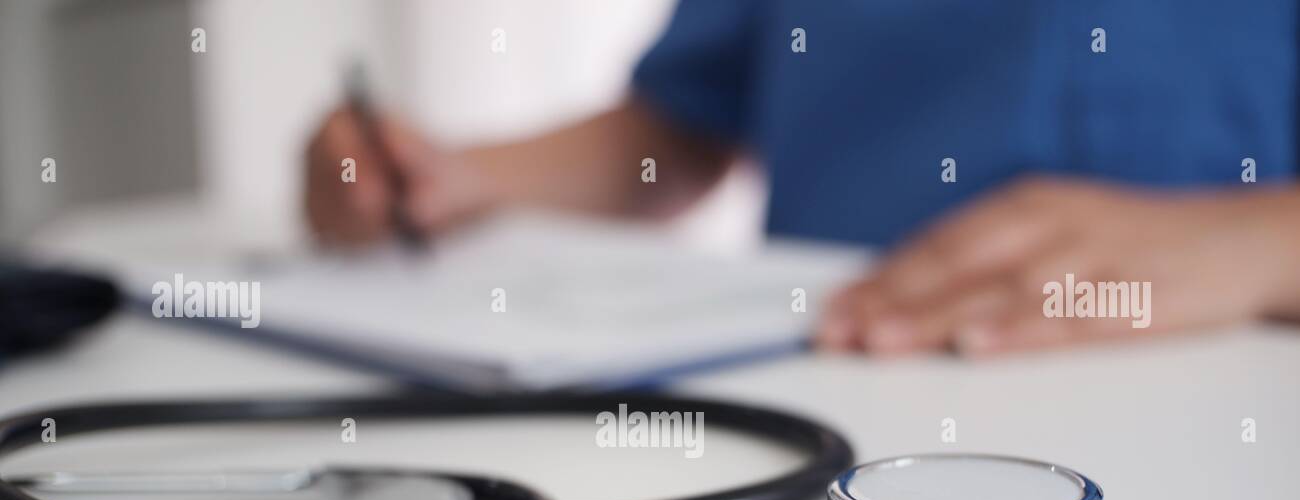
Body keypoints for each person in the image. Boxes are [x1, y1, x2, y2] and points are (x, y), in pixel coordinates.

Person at [304, 0, 1300, 356]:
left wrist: (1267, 238)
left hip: (1228, 422)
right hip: (838, 370)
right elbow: (679, 128)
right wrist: (451, 178)